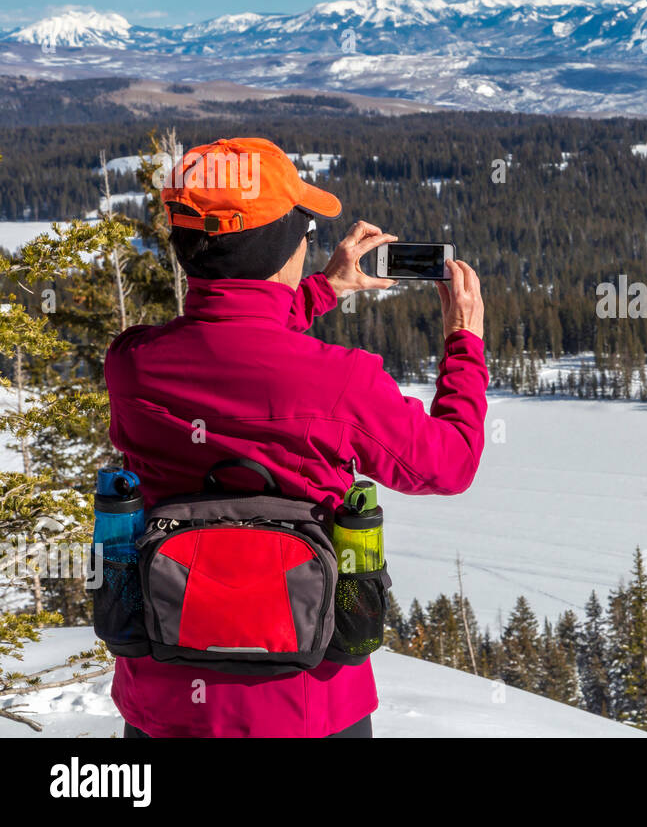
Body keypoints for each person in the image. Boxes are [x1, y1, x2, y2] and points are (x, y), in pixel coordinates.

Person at [104, 136, 488, 737]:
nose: (309, 242)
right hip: (311, 706)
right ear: (283, 246)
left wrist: (321, 291)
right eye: (304, 228)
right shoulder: (342, 382)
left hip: (165, 704)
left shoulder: (133, 366)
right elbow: (451, 463)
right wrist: (465, 341)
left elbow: (230, 339)